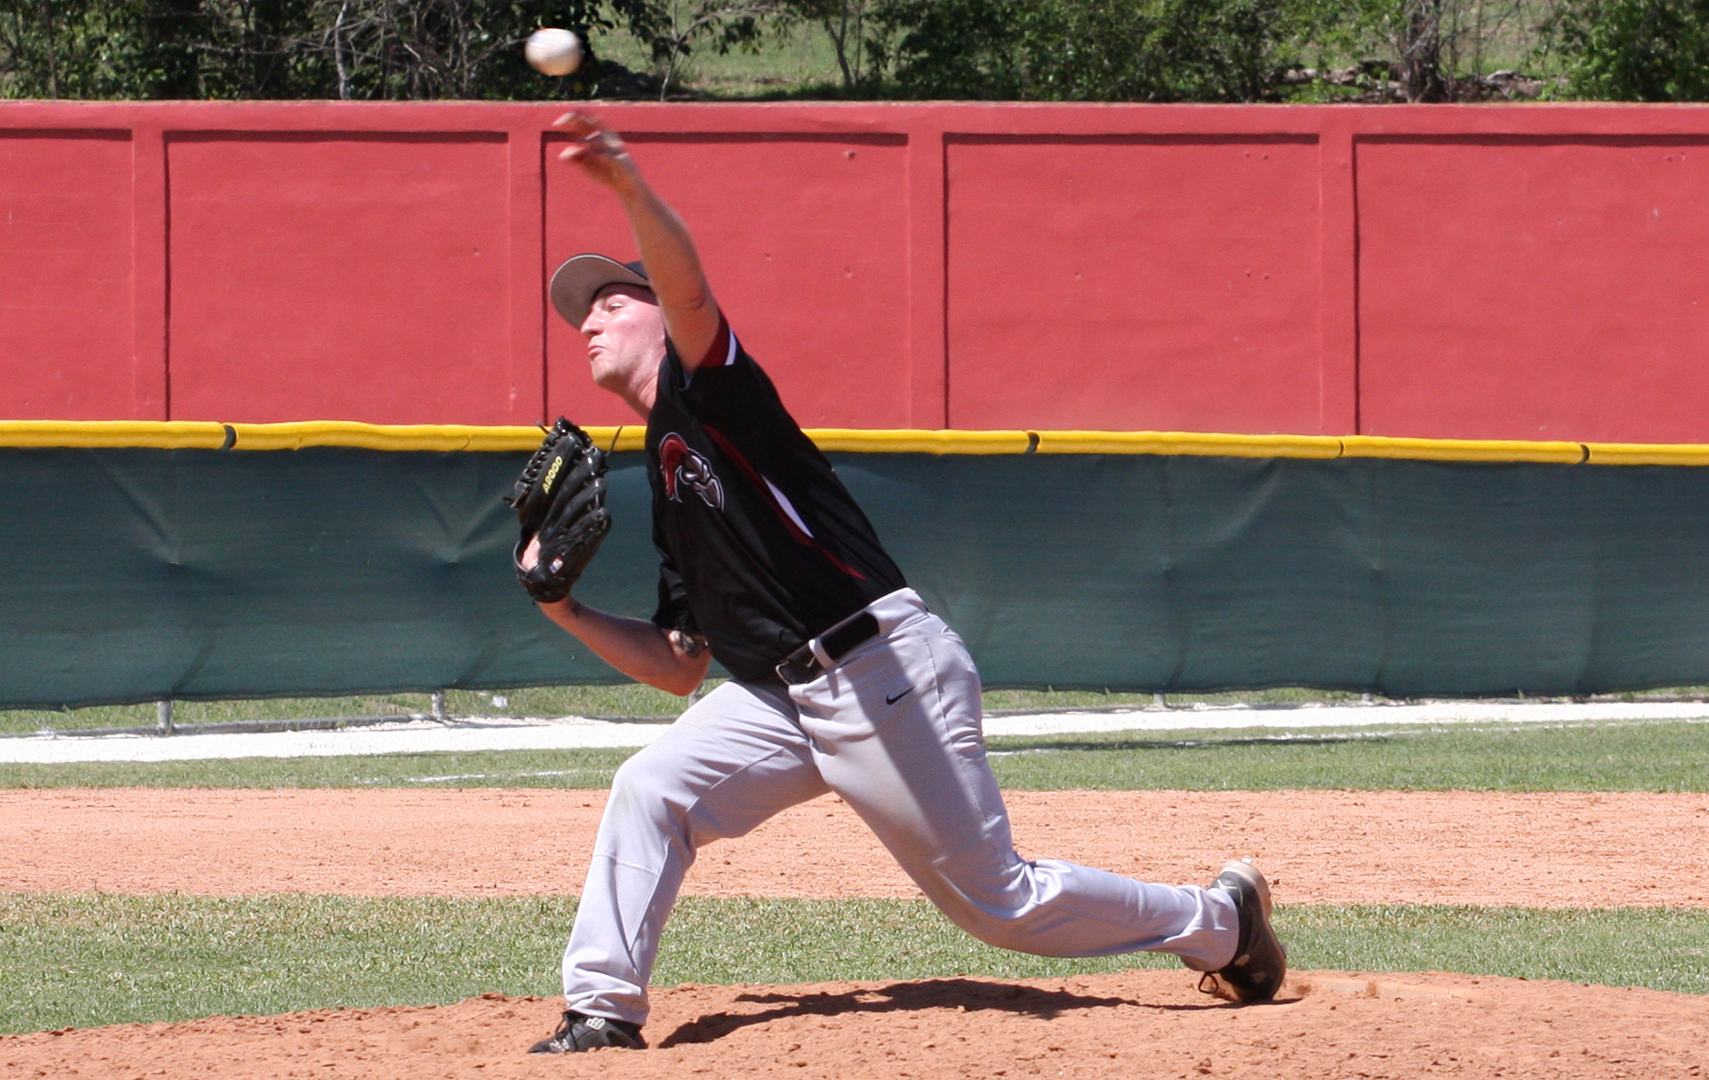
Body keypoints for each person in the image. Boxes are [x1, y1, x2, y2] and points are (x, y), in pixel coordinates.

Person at [521, 112, 1287, 1054]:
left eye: (611, 300)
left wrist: (630, 188)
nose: (589, 319)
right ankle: (602, 1009)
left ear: (657, 314)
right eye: (580, 310)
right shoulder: (665, 475)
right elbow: (681, 666)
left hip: (879, 670)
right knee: (652, 786)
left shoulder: (709, 393)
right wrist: (562, 608)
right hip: (780, 697)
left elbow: (689, 291)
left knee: (998, 904)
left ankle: (1221, 922)